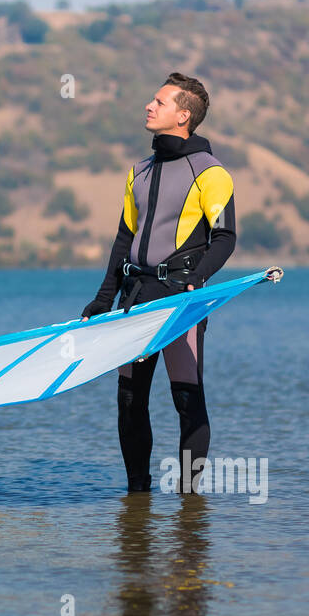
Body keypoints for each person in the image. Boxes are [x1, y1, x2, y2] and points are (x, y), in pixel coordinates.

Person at [80, 73, 236, 493]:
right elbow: (124, 239)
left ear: (183, 115)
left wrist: (197, 281)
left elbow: (224, 238)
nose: (149, 106)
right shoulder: (139, 172)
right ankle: (138, 497)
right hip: (134, 297)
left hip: (179, 298)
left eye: (159, 102)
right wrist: (102, 298)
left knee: (186, 397)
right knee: (129, 399)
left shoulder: (211, 172)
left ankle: (189, 500)